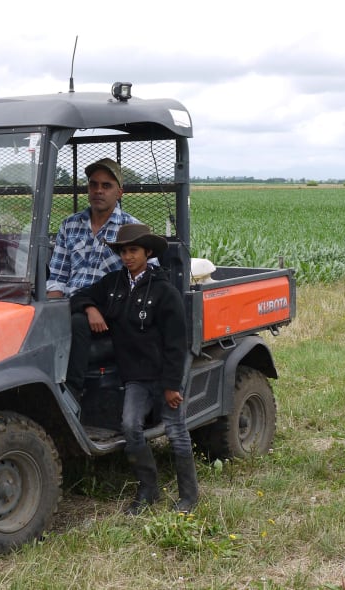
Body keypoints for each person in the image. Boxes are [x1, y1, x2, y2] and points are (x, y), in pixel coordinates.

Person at [70, 224, 198, 515]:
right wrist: (90, 308)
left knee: (176, 431)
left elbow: (176, 343)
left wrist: (171, 386)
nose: (127, 257)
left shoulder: (164, 291)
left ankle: (188, 497)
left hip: (163, 375)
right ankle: (148, 490)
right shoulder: (113, 284)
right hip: (135, 378)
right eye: (123, 251)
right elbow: (79, 296)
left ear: (147, 252)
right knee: (130, 427)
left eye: (133, 251)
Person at [47, 158, 141, 398]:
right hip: (74, 303)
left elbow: (141, 285)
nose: (98, 190)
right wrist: (51, 310)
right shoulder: (70, 225)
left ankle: (72, 395)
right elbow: (57, 276)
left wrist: (92, 307)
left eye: (107, 186)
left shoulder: (131, 229)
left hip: (112, 311)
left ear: (119, 192)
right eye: (93, 184)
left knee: (78, 322)